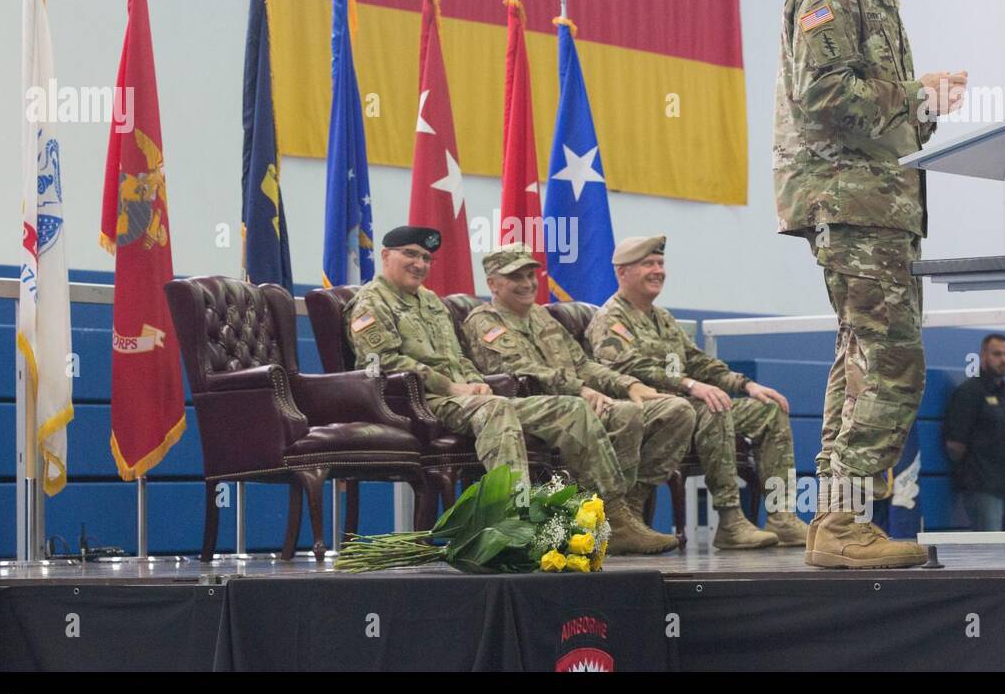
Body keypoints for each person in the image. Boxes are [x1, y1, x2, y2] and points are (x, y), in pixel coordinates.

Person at [772, 0, 967, 568]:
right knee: (891, 363)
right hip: (849, 202)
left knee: (859, 365)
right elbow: (824, 97)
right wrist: (913, 92)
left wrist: (921, 104)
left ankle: (837, 523)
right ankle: (845, 524)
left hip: (875, 202)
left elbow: (872, 104)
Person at [344, 226, 675, 554]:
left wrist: (477, 382)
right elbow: (380, 362)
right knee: (498, 410)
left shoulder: (431, 301)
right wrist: (452, 385)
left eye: (426, 257)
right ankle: (515, 524)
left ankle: (608, 515)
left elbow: (457, 356)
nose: (420, 263)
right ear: (386, 255)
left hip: (467, 398)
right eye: (411, 255)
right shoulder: (370, 302)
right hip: (423, 402)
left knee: (571, 409)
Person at [587, 235, 809, 551]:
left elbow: (699, 362)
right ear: (622, 272)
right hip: (648, 416)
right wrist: (691, 385)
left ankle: (782, 516)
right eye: (648, 264)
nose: (657, 270)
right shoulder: (611, 318)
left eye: (660, 263)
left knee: (769, 409)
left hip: (689, 410)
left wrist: (747, 385)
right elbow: (629, 366)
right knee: (713, 404)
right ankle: (730, 520)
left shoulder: (662, 318)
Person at [463, 243, 693, 541]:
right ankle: (610, 517)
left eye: (531, 275)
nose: (527, 283)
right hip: (526, 406)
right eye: (515, 277)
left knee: (652, 410)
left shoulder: (543, 317)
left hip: (574, 400)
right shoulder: (484, 321)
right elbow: (521, 369)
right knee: (584, 410)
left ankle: (619, 512)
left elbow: (583, 364)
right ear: (493, 283)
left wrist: (628, 385)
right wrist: (580, 390)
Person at [944, 334, 1005, 531]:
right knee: (991, 552)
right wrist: (976, 473)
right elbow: (955, 445)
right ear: (983, 356)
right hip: (984, 491)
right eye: (997, 354)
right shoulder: (969, 392)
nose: (1003, 359)